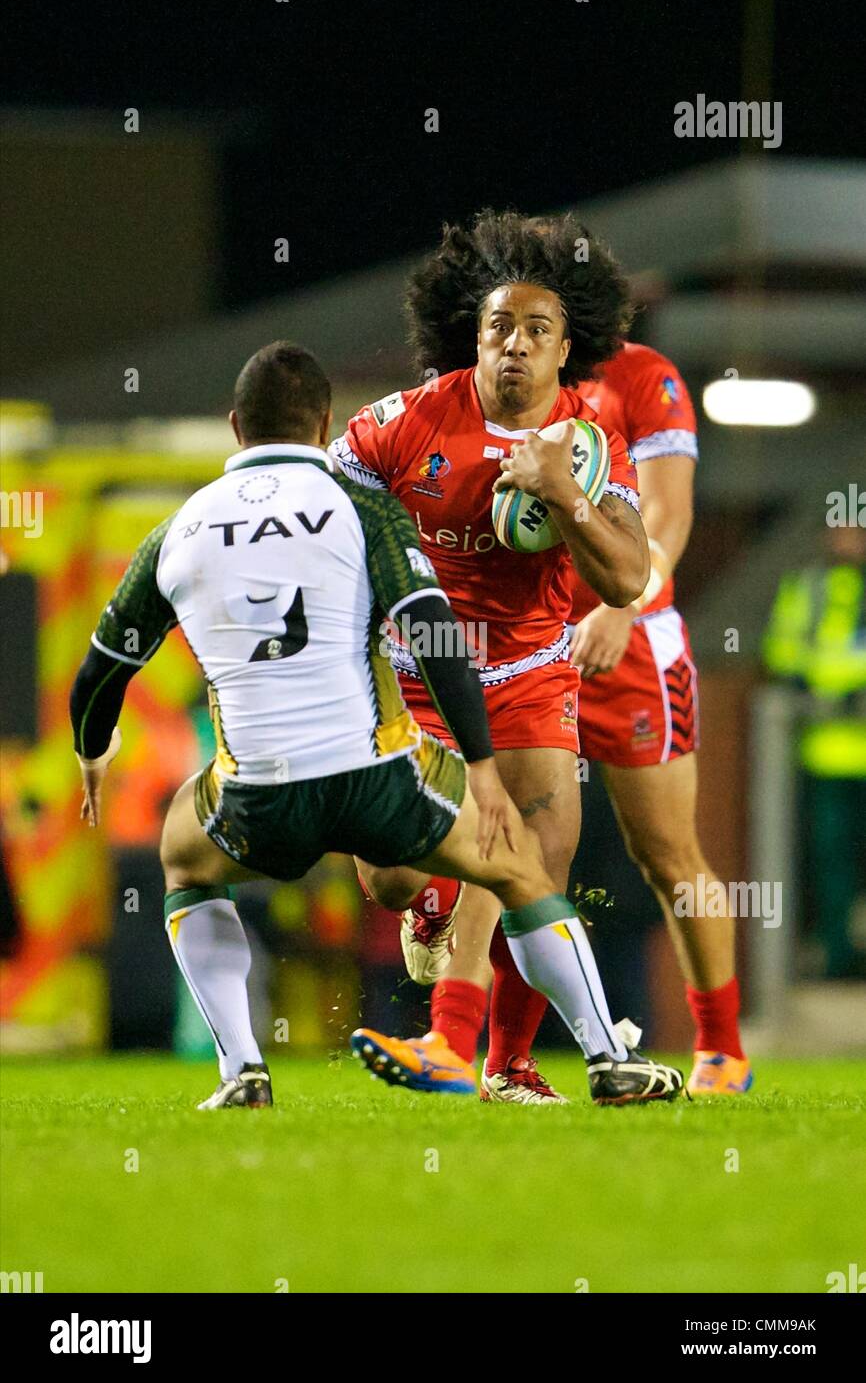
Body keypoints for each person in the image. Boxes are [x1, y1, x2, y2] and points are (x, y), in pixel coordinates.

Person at [69, 341, 683, 1107]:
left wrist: (93, 755)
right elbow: (435, 640)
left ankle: (243, 1075)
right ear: (324, 424)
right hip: (374, 782)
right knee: (519, 861)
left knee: (182, 857)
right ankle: (605, 1059)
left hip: (256, 797)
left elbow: (99, 675)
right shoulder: (361, 513)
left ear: (234, 427)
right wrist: (484, 772)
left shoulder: (178, 533)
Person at [331, 211, 669, 1101]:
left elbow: (629, 577)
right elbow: (323, 520)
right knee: (394, 883)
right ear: (470, 339)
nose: (515, 344)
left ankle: (501, 1064)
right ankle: (433, 906)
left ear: (568, 350)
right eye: (499, 328)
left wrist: (565, 498)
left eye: (537, 331)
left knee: (531, 860)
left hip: (528, 676)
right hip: (413, 677)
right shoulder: (399, 424)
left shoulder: (591, 445)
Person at [386, 341, 753, 1099]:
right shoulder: (477, 392)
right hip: (519, 646)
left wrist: (633, 603)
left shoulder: (643, 379)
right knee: (516, 843)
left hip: (626, 644)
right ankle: (500, 1058)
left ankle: (721, 1050)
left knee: (667, 854)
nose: (520, 339)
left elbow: (667, 514)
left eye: (544, 317)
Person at [763, 520, 866, 978]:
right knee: (830, 864)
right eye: (840, 532)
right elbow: (782, 651)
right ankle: (838, 955)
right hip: (825, 753)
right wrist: (812, 684)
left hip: (845, 745)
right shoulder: (807, 587)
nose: (846, 542)